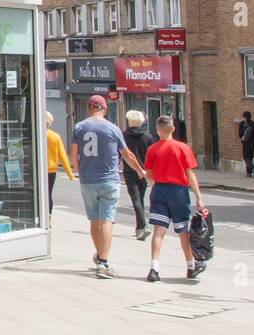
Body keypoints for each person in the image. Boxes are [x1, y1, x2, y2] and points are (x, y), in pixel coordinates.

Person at [70, 94, 146, 279]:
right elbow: (126, 154)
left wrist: (81, 171)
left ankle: (100, 256)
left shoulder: (79, 127)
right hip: (108, 180)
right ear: (104, 109)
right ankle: (103, 262)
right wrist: (140, 170)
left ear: (89, 108)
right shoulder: (113, 129)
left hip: (88, 181)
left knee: (94, 221)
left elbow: (73, 155)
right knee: (106, 220)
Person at [144, 114, 207, 282]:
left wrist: (154, 187)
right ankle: (190, 266)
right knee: (182, 231)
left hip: (159, 189)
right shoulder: (182, 148)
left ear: (157, 131)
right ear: (173, 129)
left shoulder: (152, 149)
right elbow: (190, 174)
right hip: (178, 191)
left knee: (159, 230)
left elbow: (149, 174)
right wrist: (199, 198)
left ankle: (154, 268)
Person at [122, 110, 155, 242]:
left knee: (135, 198)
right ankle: (139, 227)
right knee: (140, 198)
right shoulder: (148, 138)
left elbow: (121, 154)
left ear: (129, 121)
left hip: (130, 171)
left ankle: (142, 226)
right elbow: (151, 156)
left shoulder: (123, 136)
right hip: (144, 172)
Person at [44, 111, 73, 216]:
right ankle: (49, 216)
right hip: (51, 170)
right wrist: (70, 174)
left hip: (38, 170)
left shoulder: (37, 135)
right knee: (48, 194)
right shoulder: (55, 136)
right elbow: (63, 156)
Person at [238, 111, 254, 178]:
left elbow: (240, 134)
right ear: (250, 116)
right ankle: (249, 173)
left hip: (245, 143)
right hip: (253, 143)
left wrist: (243, 137)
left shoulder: (242, 124)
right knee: (250, 157)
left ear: (244, 116)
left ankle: (253, 169)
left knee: (245, 157)